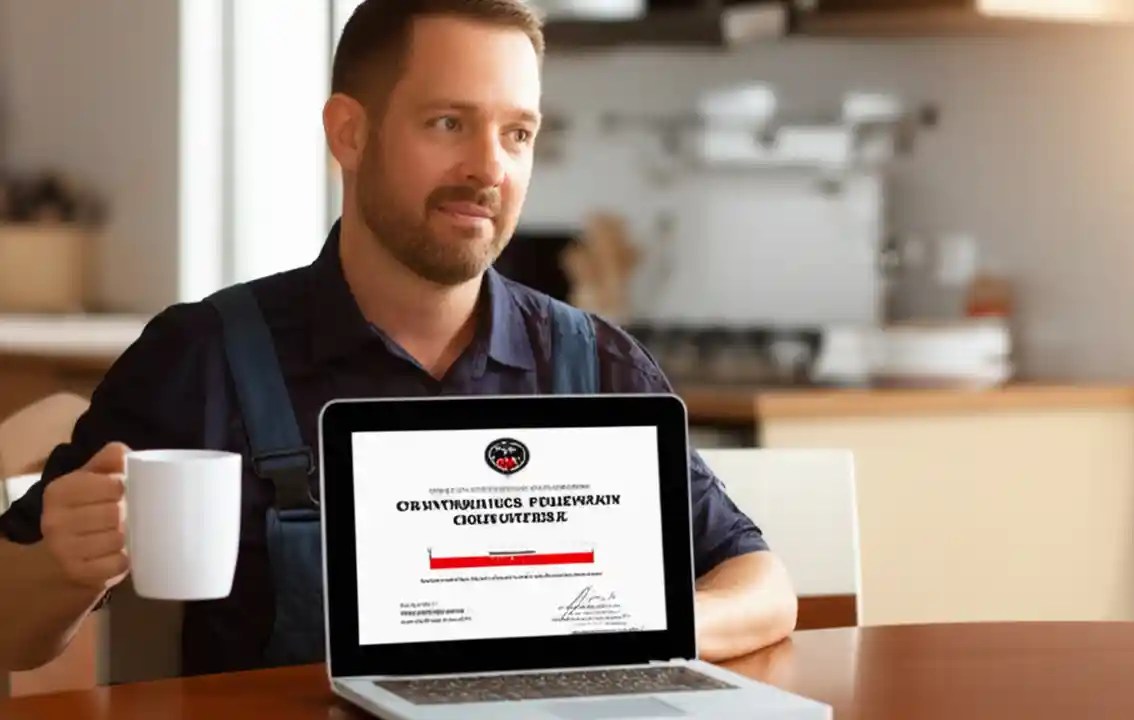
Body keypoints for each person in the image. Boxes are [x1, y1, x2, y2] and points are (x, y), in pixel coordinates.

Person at [0, 0, 797, 678]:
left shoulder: (594, 364)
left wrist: (633, 633)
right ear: (349, 133)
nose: (490, 168)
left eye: (517, 134)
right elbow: (10, 630)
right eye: (449, 123)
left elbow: (762, 584)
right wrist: (63, 566)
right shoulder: (204, 358)